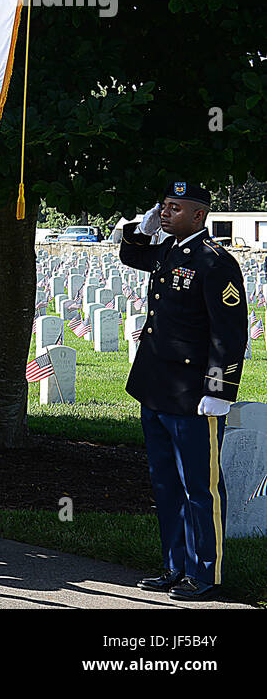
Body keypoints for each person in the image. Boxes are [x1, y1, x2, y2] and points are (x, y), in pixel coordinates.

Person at [121, 181, 247, 602]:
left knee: (200, 487)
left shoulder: (216, 263)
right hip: (156, 389)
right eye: (164, 207)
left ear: (199, 215)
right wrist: (143, 227)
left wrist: (221, 389)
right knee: (165, 484)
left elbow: (229, 335)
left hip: (194, 395)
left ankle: (205, 573)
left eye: (174, 208)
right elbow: (130, 253)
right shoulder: (168, 251)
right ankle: (174, 566)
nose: (166, 213)